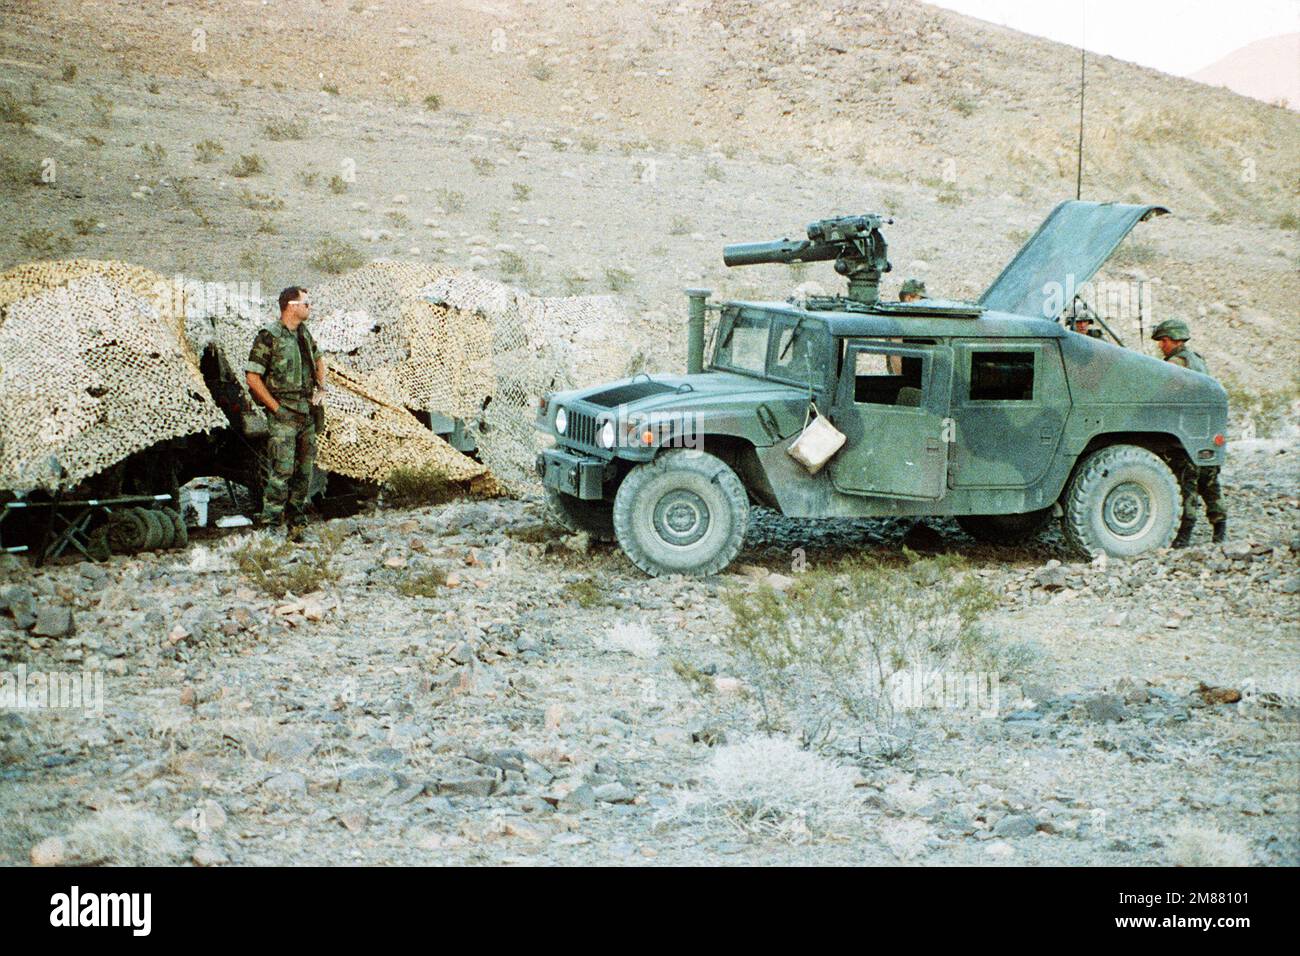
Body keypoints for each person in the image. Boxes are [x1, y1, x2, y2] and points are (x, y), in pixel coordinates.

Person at [245, 287, 327, 534]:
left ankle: (297, 525)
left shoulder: (303, 333)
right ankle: (269, 526)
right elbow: (252, 377)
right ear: (291, 306)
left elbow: (319, 359)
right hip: (284, 414)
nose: (309, 307)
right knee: (281, 473)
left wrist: (321, 388)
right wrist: (276, 409)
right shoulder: (268, 336)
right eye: (306, 303)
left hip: (306, 413)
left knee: (304, 473)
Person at [1151, 318, 1226, 546]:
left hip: (1185, 436)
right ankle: (1220, 532)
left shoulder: (1175, 363)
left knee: (1187, 486)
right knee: (1210, 484)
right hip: (1207, 430)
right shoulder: (1197, 360)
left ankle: (1183, 537)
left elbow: (1164, 397)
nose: (1160, 346)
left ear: (1170, 340)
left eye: (1162, 341)